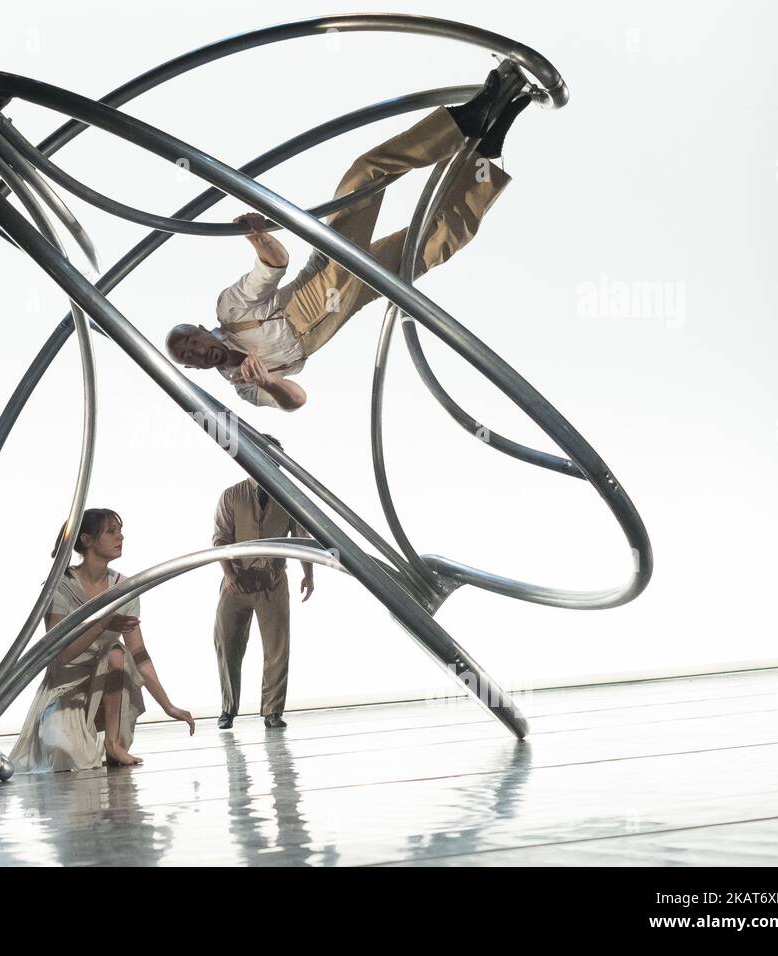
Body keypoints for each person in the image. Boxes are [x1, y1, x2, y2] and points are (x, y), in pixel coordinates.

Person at [165, 69, 532, 410]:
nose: (198, 352)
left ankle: (465, 120)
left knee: (364, 177)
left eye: (192, 342)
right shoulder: (243, 387)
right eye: (189, 357)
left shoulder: (230, 311)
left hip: (324, 281)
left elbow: (274, 265)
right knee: (439, 242)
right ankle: (490, 145)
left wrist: (258, 239)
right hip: (346, 307)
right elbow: (296, 400)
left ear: (201, 330)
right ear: (194, 369)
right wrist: (270, 382)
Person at [8, 508, 195, 772]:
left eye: (120, 531)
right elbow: (61, 655)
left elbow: (139, 654)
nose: (121, 537)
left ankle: (114, 742)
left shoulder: (124, 587)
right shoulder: (61, 586)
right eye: (111, 532)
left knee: (116, 651)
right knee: (66, 757)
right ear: (87, 539)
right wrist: (102, 624)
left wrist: (168, 706)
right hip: (67, 685)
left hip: (107, 684)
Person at [211, 436, 315, 730]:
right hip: (237, 583)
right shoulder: (232, 495)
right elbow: (221, 538)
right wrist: (229, 575)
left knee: (277, 647)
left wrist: (308, 573)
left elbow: (301, 538)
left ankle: (272, 711)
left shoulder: (288, 497)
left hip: (273, 582)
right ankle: (228, 709)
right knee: (227, 644)